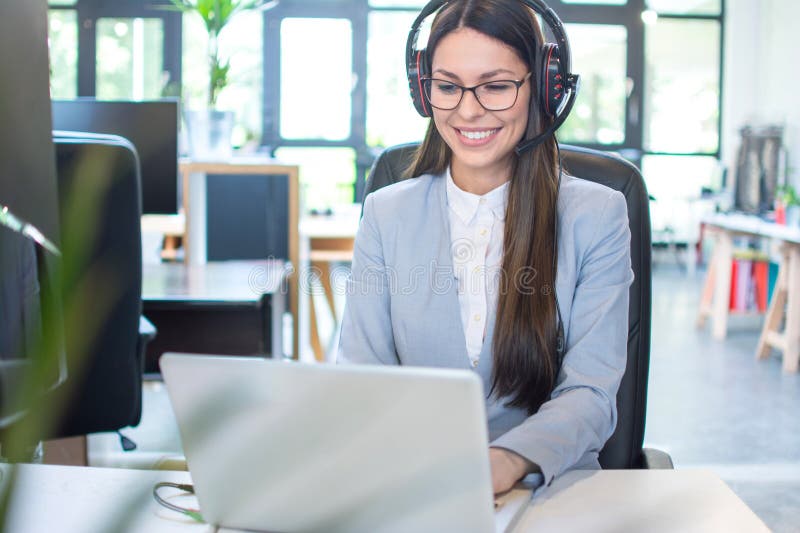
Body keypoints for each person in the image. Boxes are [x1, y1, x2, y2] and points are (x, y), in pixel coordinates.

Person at [338, 0, 634, 495]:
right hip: (416, 488)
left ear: (543, 87)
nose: (468, 110)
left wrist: (507, 461)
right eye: (447, 86)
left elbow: (591, 392)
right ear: (423, 90)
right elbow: (362, 376)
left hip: (549, 491)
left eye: (496, 86)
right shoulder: (387, 214)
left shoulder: (597, 215)